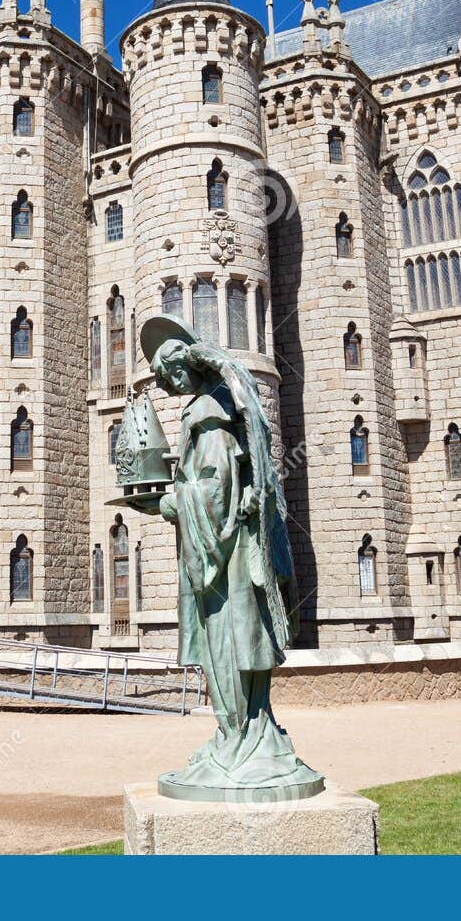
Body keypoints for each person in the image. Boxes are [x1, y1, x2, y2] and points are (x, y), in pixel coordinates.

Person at [139, 314, 323, 798]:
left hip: (228, 562)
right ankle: (236, 736)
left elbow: (215, 486)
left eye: (170, 375)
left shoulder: (209, 416)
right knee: (228, 648)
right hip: (229, 555)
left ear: (187, 369)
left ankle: (242, 740)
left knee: (229, 647)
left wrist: (173, 502)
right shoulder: (210, 409)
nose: (167, 384)